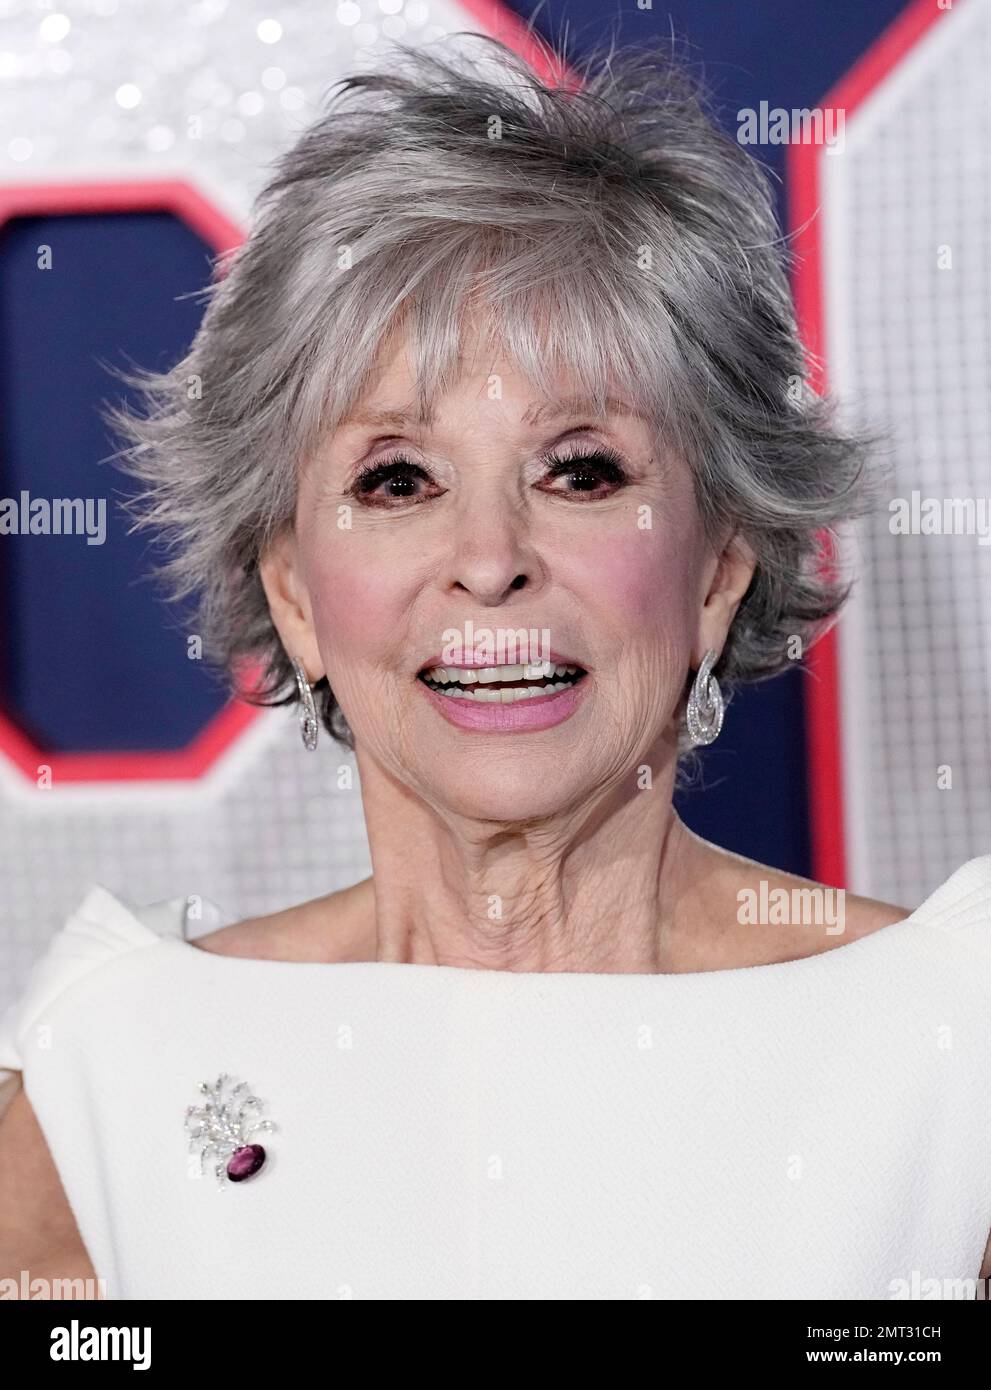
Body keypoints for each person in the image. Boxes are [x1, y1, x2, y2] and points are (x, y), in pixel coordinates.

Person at [1, 32, 989, 1301]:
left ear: (720, 563)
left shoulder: (953, 1045)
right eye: (396, 479)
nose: (486, 560)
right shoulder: (109, 1073)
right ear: (293, 595)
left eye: (581, 470)